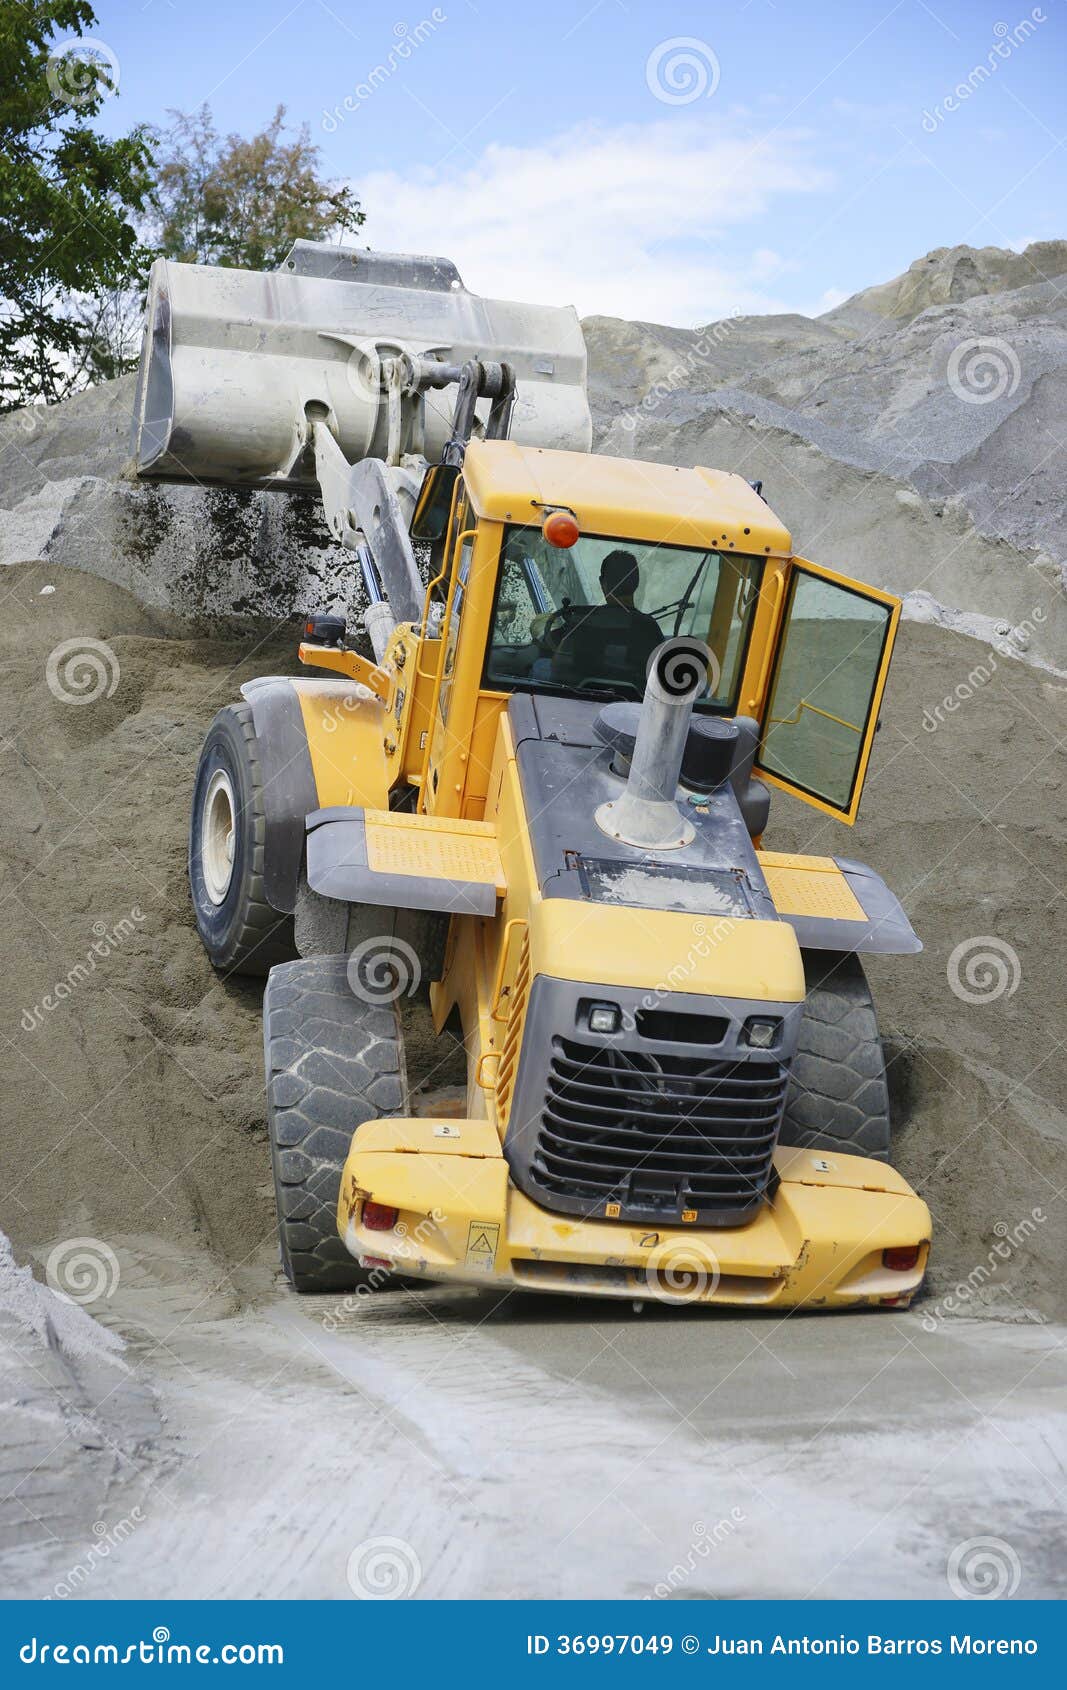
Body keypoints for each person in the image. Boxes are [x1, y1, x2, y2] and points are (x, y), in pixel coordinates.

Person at [550, 549, 663, 690]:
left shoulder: (584, 621)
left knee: (540, 666)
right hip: (633, 707)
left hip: (580, 700)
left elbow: (557, 669)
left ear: (602, 583)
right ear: (637, 583)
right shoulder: (649, 628)